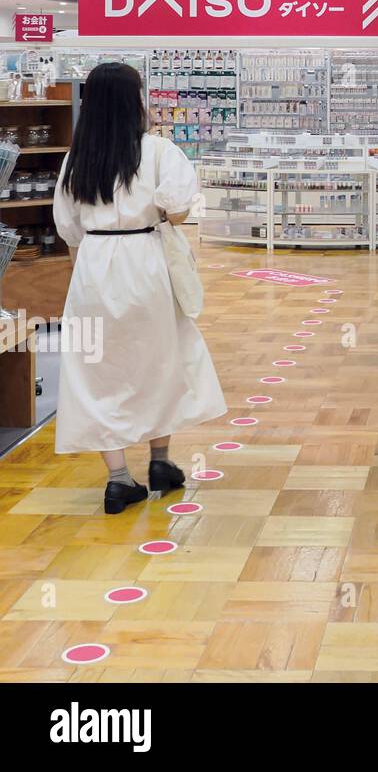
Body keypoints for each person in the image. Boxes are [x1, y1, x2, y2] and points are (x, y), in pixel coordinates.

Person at [53, 63, 226, 515]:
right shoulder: (158, 151)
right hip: (145, 262)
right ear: (136, 101)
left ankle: (116, 479)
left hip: (93, 266)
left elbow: (68, 228)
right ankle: (160, 463)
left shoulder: (76, 159)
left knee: (97, 371)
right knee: (161, 359)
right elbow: (180, 210)